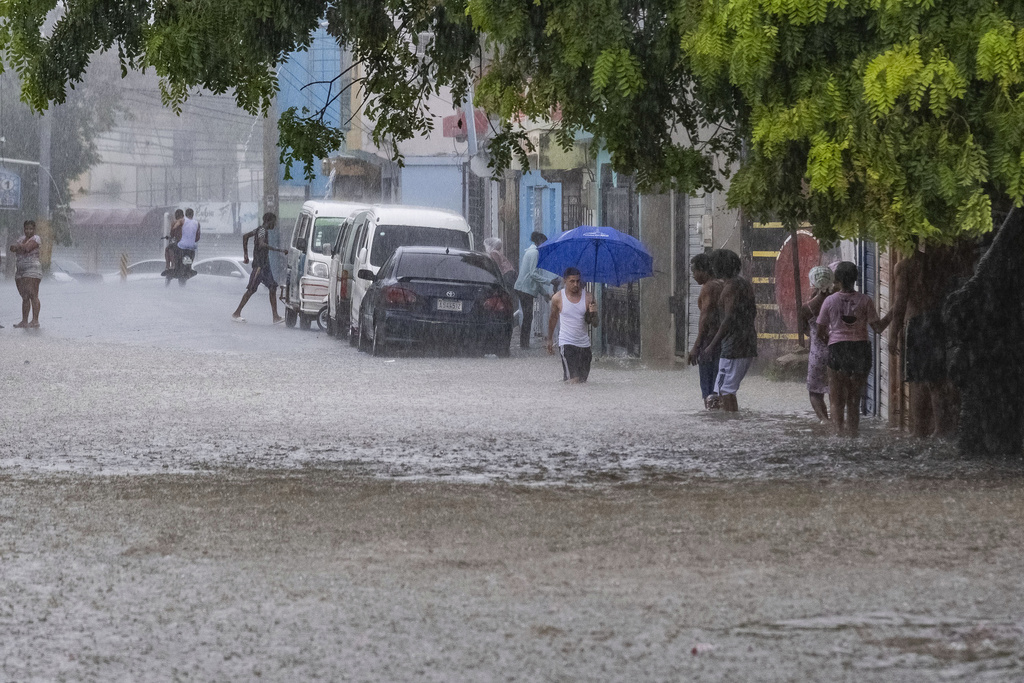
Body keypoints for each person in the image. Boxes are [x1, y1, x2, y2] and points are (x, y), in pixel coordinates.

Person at [877, 243, 973, 439]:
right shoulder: (936, 264)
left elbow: (901, 302)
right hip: (938, 323)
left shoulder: (904, 266)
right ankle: (940, 428)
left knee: (919, 381)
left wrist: (893, 335)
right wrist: (886, 322)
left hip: (918, 326)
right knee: (936, 380)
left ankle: (919, 430)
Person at [816, 261, 886, 437]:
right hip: (860, 350)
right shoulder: (865, 300)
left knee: (836, 399)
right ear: (856, 279)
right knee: (854, 399)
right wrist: (893, 312)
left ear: (837, 279)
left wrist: (831, 342)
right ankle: (853, 435)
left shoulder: (830, 301)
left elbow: (820, 331)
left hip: (838, 349)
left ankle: (838, 435)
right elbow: (877, 328)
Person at [700, 249, 757, 412]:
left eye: (712, 265)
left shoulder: (731, 287)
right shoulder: (743, 284)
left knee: (724, 390)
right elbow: (752, 313)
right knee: (726, 390)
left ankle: (732, 427)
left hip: (733, 347)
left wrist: (711, 345)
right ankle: (733, 426)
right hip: (745, 343)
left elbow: (728, 319)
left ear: (719, 267)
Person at [232, 213, 287, 323]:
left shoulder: (258, 230)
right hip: (259, 266)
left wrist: (246, 255)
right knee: (251, 290)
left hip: (265, 266)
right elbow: (261, 244)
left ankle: (275, 316)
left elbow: (245, 236)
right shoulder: (262, 230)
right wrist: (279, 250)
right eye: (274, 222)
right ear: (269, 221)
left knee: (272, 287)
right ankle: (236, 313)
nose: (274, 224)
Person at [547, 267, 599, 383]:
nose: (576, 284)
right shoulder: (557, 298)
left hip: (584, 346)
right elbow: (553, 318)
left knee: (581, 382)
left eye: (578, 281)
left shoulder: (588, 297)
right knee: (573, 380)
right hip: (567, 344)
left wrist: (593, 313)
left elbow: (595, 324)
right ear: (565, 281)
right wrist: (549, 339)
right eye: (572, 281)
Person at [686, 252, 724, 408]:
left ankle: (711, 421)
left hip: (709, 343)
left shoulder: (708, 288)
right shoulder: (722, 284)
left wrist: (696, 346)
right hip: (722, 342)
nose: (693, 275)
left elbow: (705, 317)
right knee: (719, 390)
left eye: (695, 271)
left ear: (704, 270)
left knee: (709, 392)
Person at [801, 265, 835, 422]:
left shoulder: (807, 307)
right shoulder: (838, 302)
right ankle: (838, 422)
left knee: (815, 391)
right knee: (835, 390)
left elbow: (804, 331)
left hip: (817, 353)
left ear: (812, 283)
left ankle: (824, 421)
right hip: (838, 350)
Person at [514, 231, 556, 349]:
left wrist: (545, 294)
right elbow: (533, 274)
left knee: (528, 316)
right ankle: (524, 344)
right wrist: (550, 281)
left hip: (524, 288)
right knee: (528, 316)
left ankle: (524, 343)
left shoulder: (531, 252)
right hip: (524, 289)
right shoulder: (534, 253)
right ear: (539, 242)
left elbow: (533, 279)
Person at [9, 219, 42, 328]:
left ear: (34, 229)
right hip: (20, 270)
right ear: (24, 229)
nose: (28, 231)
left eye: (31, 229)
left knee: (33, 294)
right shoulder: (21, 239)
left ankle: (35, 320)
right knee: (25, 296)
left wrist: (19, 247)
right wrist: (19, 247)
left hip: (32, 269)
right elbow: (12, 248)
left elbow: (28, 248)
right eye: (26, 229)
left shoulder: (36, 238)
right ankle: (24, 321)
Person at [175, 207, 201, 275]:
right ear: (193, 214)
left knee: (174, 249)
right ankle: (189, 267)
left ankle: (175, 266)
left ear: (185, 214)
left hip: (182, 246)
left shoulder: (181, 221)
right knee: (192, 252)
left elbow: (175, 229)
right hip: (192, 247)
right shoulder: (197, 223)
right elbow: (197, 237)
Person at [162, 209, 185, 275]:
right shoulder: (187, 222)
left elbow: (172, 234)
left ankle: (170, 265)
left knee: (168, 249)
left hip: (179, 242)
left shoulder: (175, 222)